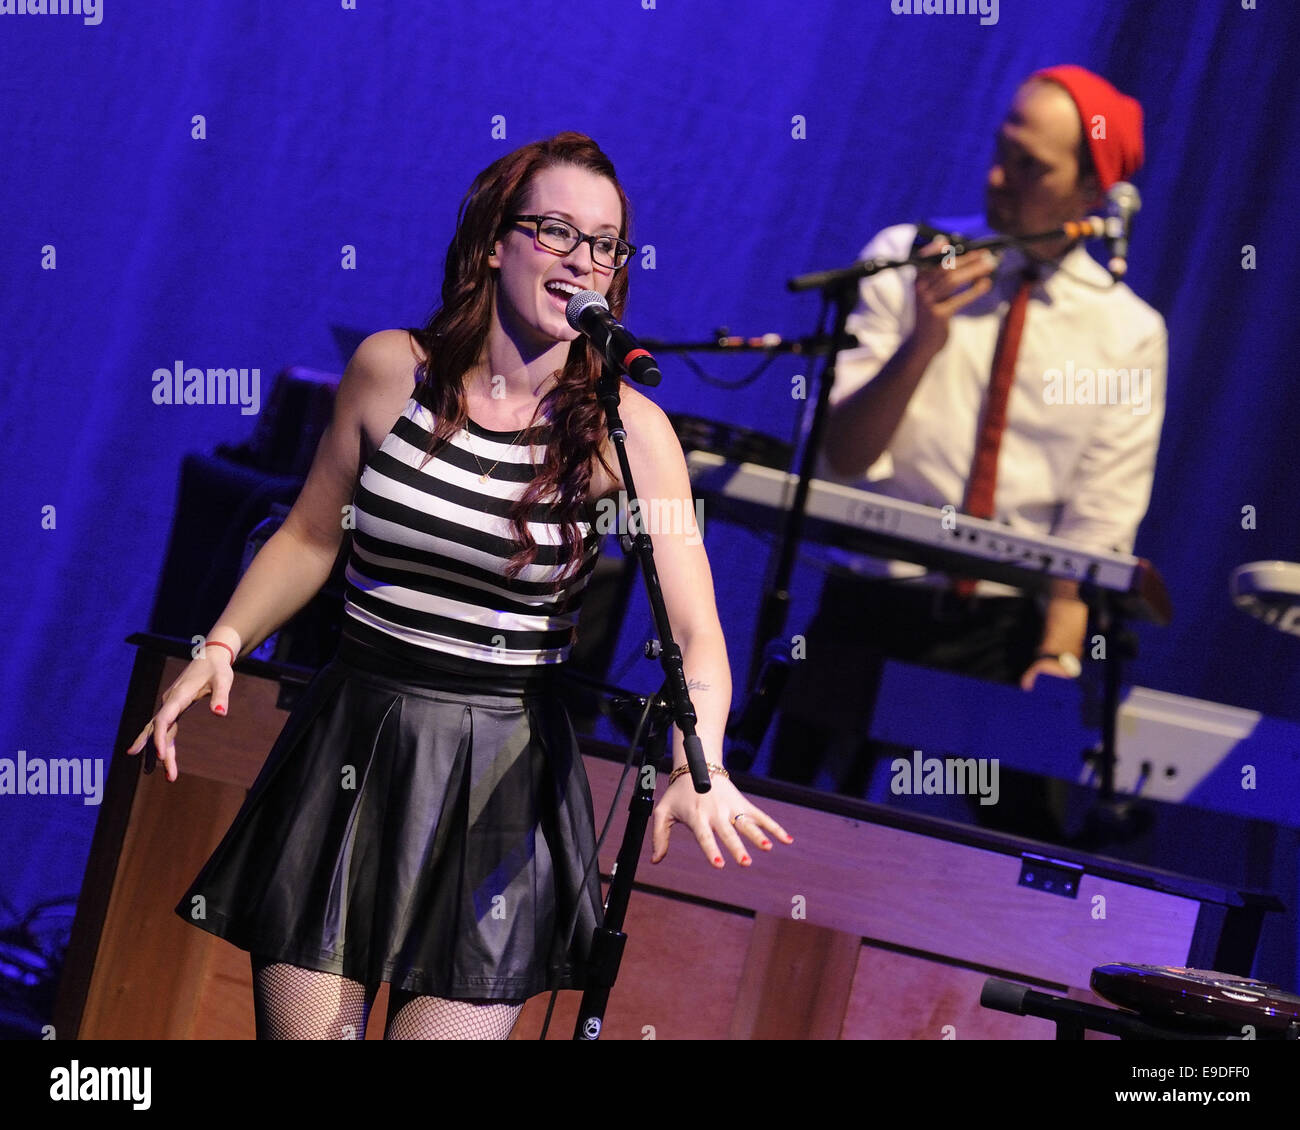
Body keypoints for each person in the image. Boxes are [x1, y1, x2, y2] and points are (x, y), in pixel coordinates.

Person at [126, 132, 792, 1041]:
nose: (583, 260)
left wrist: (697, 764)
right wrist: (221, 643)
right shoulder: (389, 371)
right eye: (557, 232)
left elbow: (694, 631)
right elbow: (311, 537)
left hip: (504, 779)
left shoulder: (628, 431)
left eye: (604, 244)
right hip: (357, 742)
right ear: (493, 241)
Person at [769, 66, 1167, 835]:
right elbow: (842, 458)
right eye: (1000, 151)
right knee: (792, 825)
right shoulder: (910, 257)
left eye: (1030, 167)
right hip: (871, 601)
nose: (997, 178)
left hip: (1002, 626)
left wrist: (1058, 654)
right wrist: (922, 344)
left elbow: (1098, 525)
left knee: (1009, 863)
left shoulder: (1127, 332)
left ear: (1091, 193)